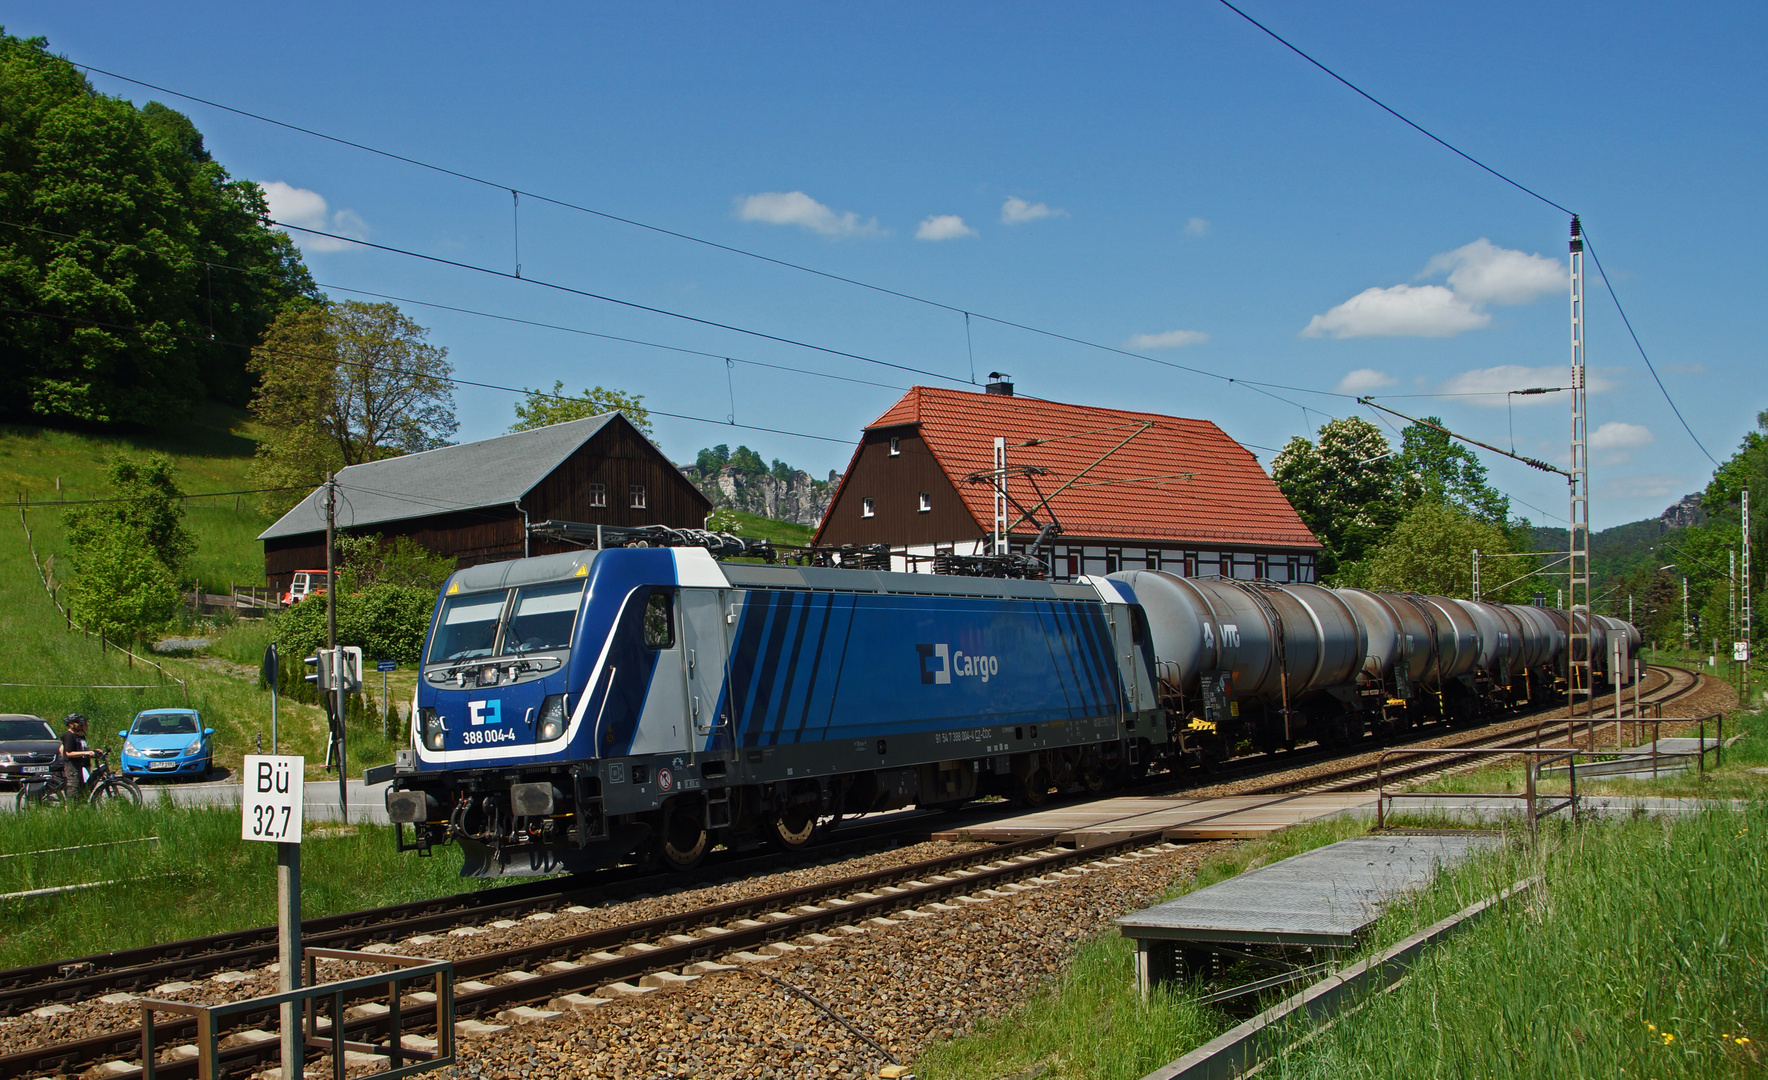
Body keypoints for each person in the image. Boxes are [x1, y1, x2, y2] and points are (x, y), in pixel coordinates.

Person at [61, 713, 96, 797]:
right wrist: (86, 753)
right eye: (77, 722)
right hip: (72, 766)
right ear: (71, 724)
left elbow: (80, 750)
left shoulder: (78, 736)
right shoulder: (69, 736)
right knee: (74, 787)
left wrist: (92, 752)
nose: (79, 724)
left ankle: (79, 803)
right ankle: (71, 804)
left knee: (81, 787)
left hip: (79, 764)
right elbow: (68, 753)